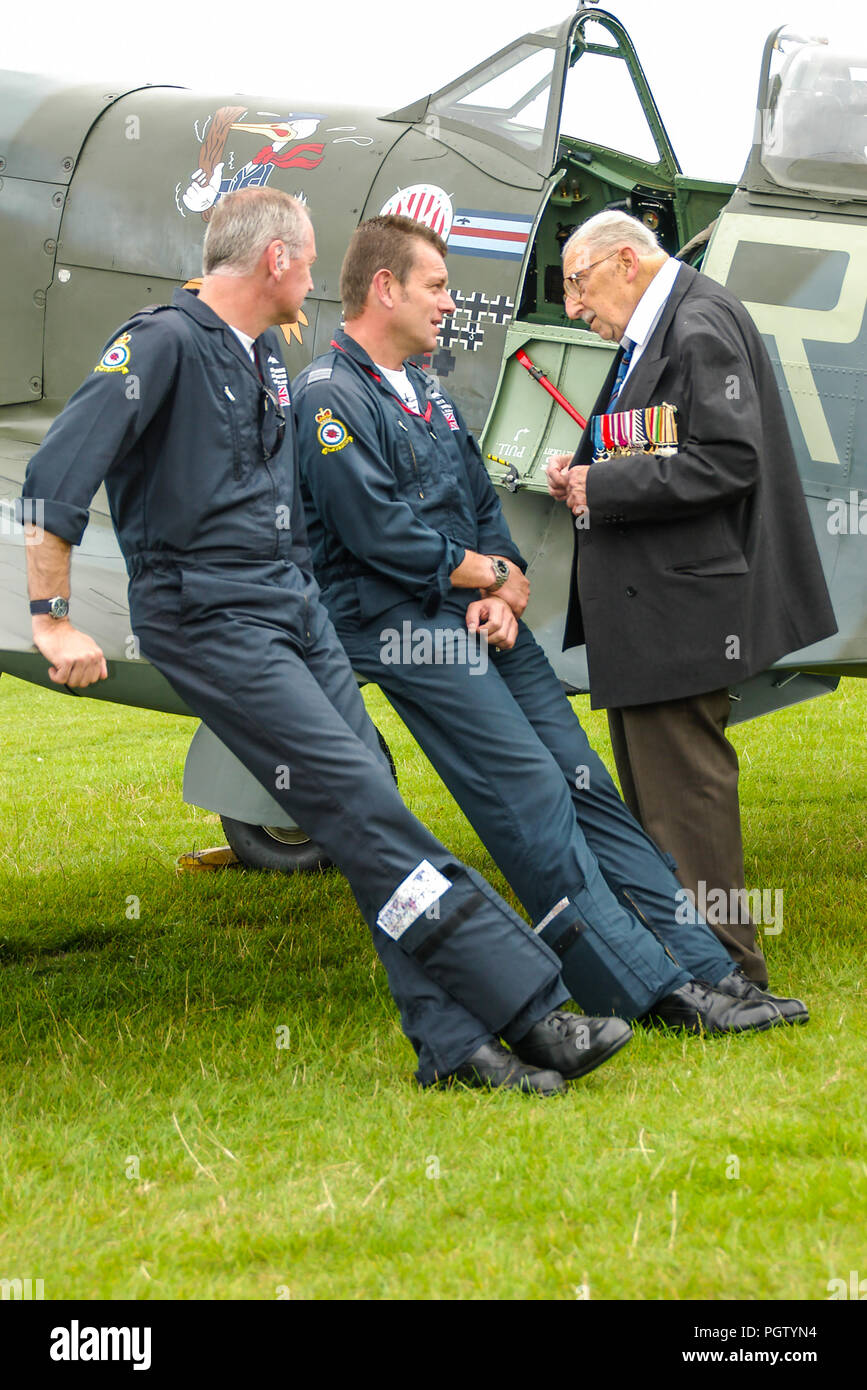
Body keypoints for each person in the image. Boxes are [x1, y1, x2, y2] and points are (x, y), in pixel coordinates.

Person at [18, 187, 642, 1099]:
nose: (316, 278)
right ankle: (533, 1011)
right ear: (274, 261)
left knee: (368, 813)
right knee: (367, 808)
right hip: (214, 622)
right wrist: (50, 615)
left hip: (294, 611)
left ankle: (450, 1047)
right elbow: (54, 472)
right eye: (308, 260)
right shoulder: (158, 343)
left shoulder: (269, 355)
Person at [291, 213, 805, 1037]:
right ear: (383, 290)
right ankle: (652, 992)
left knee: (587, 787)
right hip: (408, 626)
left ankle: (711, 971)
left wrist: (504, 580)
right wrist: (489, 575)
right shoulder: (327, 395)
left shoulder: (424, 390)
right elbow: (378, 533)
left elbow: (475, 503)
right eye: (436, 286)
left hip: (483, 618)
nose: (451, 304)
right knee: (533, 799)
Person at [547, 210, 837, 985]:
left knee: (684, 799)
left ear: (622, 262)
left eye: (577, 284)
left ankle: (728, 972)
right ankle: (685, 961)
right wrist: (585, 472)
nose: (573, 306)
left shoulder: (696, 322)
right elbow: (663, 435)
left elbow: (726, 460)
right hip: (657, 608)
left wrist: (599, 486)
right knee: (659, 799)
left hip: (681, 610)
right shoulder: (677, 314)